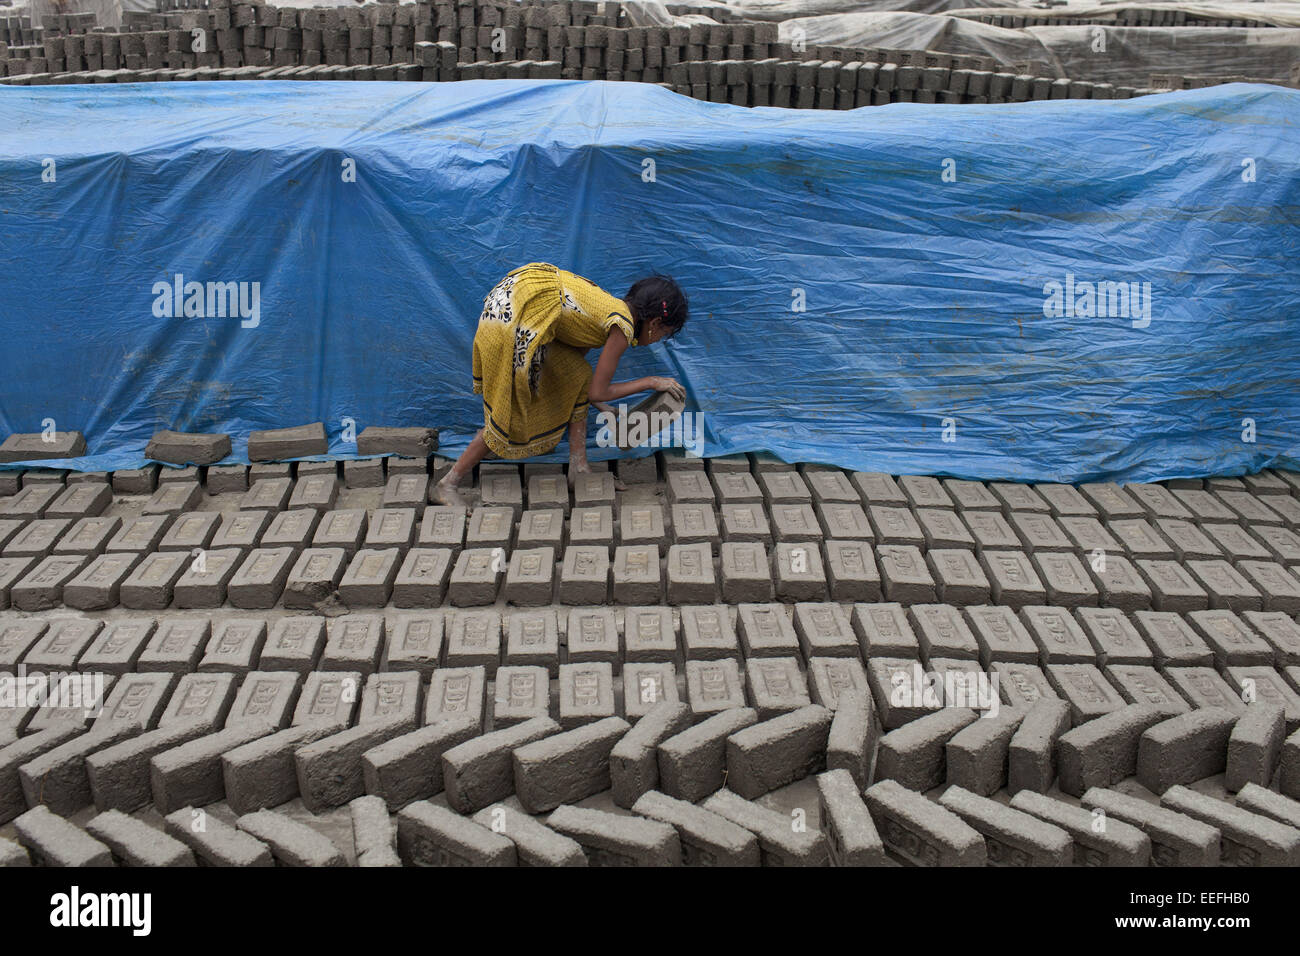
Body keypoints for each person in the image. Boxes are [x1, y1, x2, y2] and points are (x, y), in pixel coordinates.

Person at [432, 261, 688, 509]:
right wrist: (652, 382)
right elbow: (599, 390)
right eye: (663, 334)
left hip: (512, 305)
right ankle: (447, 484)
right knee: (506, 417)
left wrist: (602, 406)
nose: (657, 341)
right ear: (654, 324)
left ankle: (579, 469)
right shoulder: (621, 327)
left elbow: (583, 379)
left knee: (576, 373)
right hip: (513, 323)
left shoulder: (605, 309)